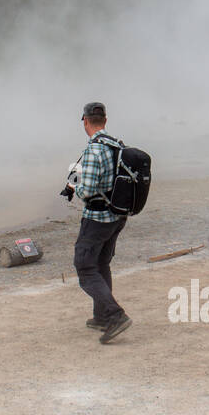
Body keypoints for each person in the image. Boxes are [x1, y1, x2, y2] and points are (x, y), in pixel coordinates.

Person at [61, 102, 132, 344]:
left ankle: (115, 315)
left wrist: (74, 187)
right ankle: (101, 316)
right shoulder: (115, 145)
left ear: (85, 121)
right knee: (102, 264)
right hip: (116, 217)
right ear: (105, 120)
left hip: (97, 219)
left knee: (84, 267)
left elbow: (88, 190)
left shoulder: (94, 150)